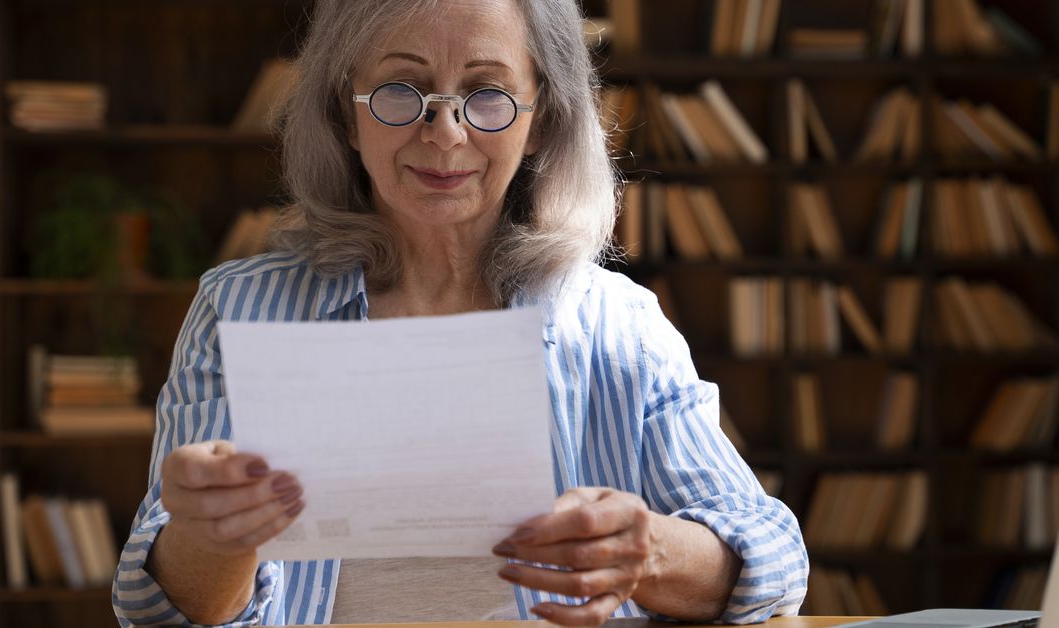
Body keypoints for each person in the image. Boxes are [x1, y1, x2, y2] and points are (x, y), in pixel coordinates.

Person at [112, 0, 809, 626]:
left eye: (487, 94)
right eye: (400, 90)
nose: (444, 134)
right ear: (344, 118)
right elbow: (159, 609)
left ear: (541, 125)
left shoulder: (618, 326)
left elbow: (777, 561)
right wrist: (208, 537)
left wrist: (651, 552)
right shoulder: (241, 311)